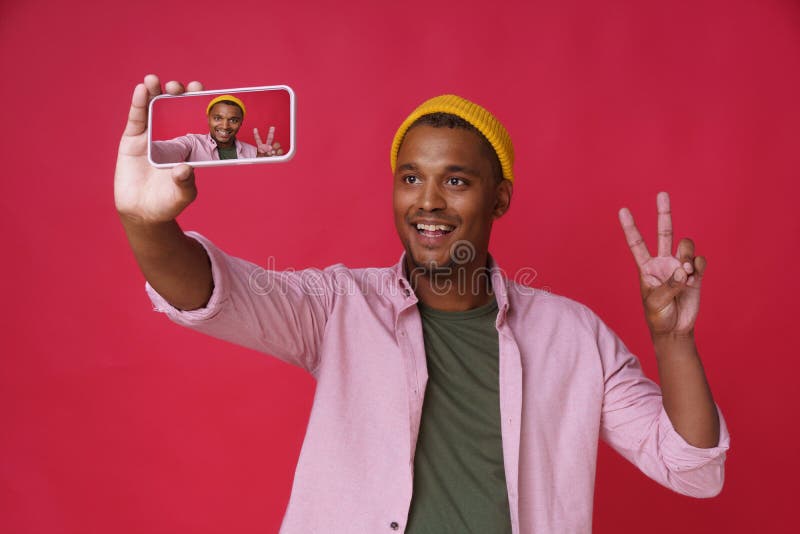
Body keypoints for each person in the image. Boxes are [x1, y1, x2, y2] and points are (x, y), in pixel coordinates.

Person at [115, 75, 730, 533]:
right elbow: (213, 293)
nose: (428, 201)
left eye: (455, 181)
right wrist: (144, 222)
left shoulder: (574, 336)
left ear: (501, 197)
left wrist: (673, 339)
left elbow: (694, 470)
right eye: (411, 177)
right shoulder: (338, 307)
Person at [150, 93, 283, 163]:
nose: (225, 126)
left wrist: (264, 164)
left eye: (233, 120)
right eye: (218, 118)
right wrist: (146, 150)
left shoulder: (255, 153)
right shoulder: (192, 143)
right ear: (208, 118)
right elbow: (166, 151)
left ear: (241, 122)